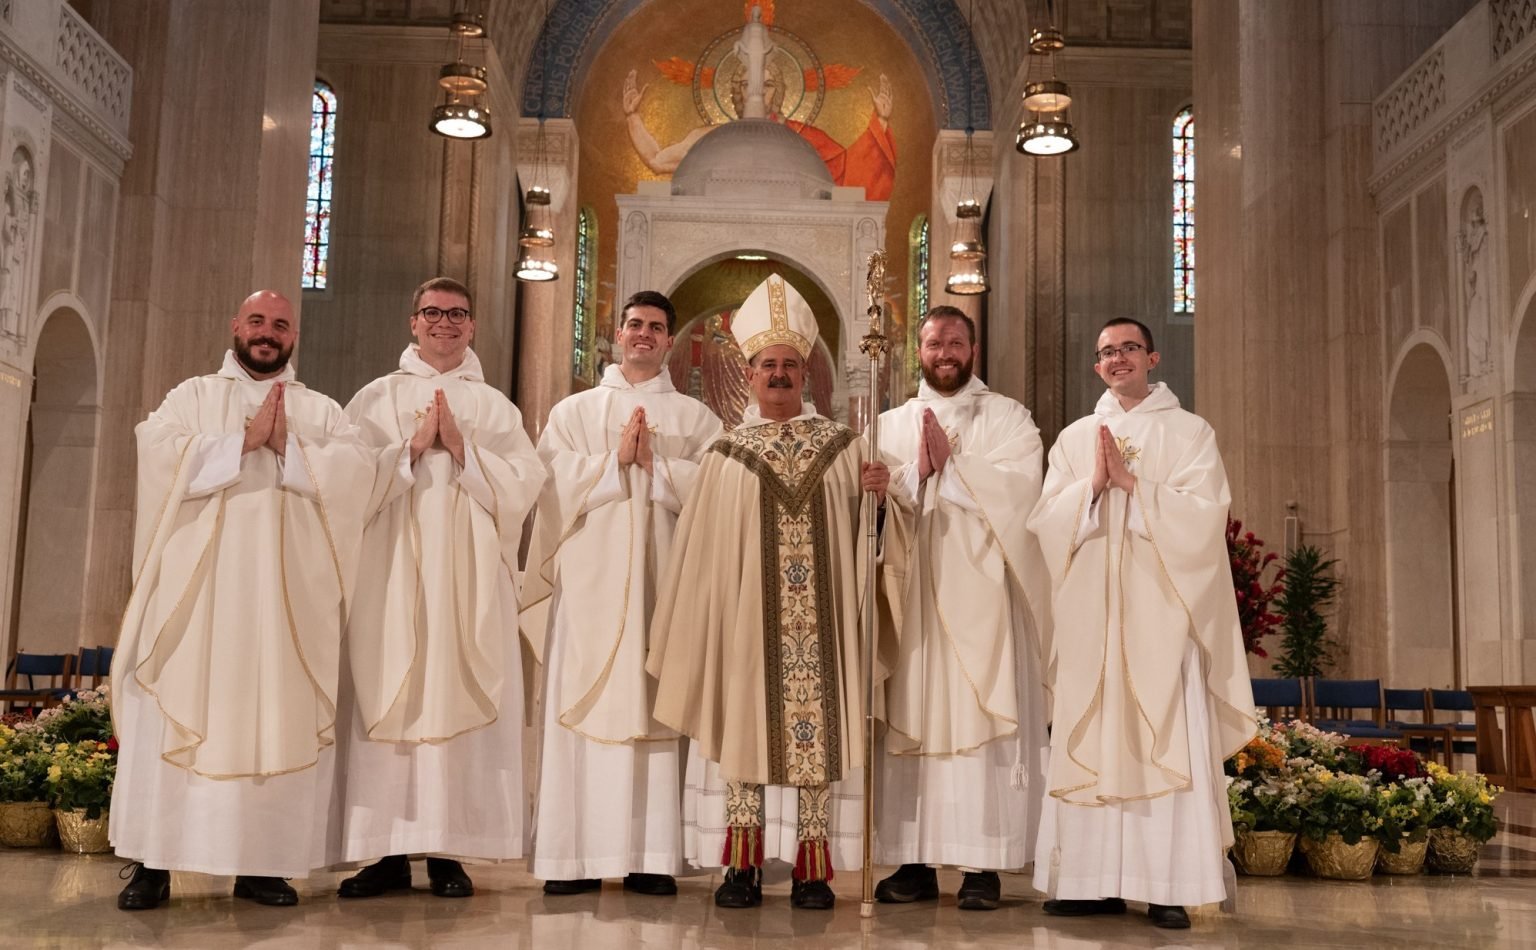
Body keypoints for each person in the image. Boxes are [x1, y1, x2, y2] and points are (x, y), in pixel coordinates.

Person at [110, 290, 373, 910]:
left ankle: (261, 865)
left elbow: (359, 472)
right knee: (175, 713)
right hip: (197, 602)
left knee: (272, 718)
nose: (267, 333)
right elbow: (155, 449)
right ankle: (153, 863)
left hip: (283, 611)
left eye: (280, 324)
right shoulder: (192, 396)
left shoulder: (321, 411)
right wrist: (240, 443)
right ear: (235, 326)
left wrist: (291, 449)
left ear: (293, 337)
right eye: (257, 321)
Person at [646, 273, 889, 911]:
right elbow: (702, 555)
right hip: (745, 625)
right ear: (748, 373)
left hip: (822, 629)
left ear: (806, 372)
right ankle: (742, 866)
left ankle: (813, 869)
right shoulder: (724, 454)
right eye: (767, 366)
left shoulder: (846, 447)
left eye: (789, 365)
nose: (778, 375)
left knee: (818, 733)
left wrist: (878, 502)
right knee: (742, 725)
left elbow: (870, 543)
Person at [1027, 318, 1257, 930]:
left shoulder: (1189, 432)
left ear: (1152, 357)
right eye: (1107, 352)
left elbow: (1206, 517)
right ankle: (1089, 882)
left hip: (1162, 616)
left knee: (1163, 736)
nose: (1118, 358)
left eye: (1129, 348)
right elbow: (1045, 523)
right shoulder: (1074, 439)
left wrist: (1134, 486)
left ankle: (1167, 886)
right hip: (1093, 618)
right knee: (1095, 736)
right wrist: (1092, 489)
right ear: (1096, 366)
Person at [330, 277, 545, 899]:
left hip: (470, 580)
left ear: (472, 326)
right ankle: (386, 852)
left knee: (458, 692)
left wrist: (462, 451)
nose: (444, 323)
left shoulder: (497, 408)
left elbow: (525, 484)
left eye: (456, 314)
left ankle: (450, 851)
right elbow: (345, 484)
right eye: (433, 312)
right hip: (390, 573)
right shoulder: (374, 398)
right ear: (413, 321)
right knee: (388, 692)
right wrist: (410, 449)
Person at [522, 290, 723, 895]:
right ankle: (572, 859)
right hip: (588, 587)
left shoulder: (696, 419)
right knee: (582, 704)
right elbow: (547, 483)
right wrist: (613, 464)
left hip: (665, 588)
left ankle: (650, 857)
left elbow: (719, 491)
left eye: (655, 327)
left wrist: (658, 467)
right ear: (618, 334)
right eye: (634, 324)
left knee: (657, 705)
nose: (643, 335)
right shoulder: (574, 411)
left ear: (669, 341)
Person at [871, 306, 1051, 910]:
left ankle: (983, 866)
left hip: (984, 598)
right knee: (914, 716)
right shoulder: (889, 423)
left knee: (978, 723)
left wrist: (953, 466)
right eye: (933, 343)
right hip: (913, 597)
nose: (944, 352)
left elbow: (1023, 491)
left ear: (972, 349)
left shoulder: (1008, 417)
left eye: (955, 342)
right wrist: (911, 474)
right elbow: (872, 497)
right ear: (917, 352)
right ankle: (913, 861)